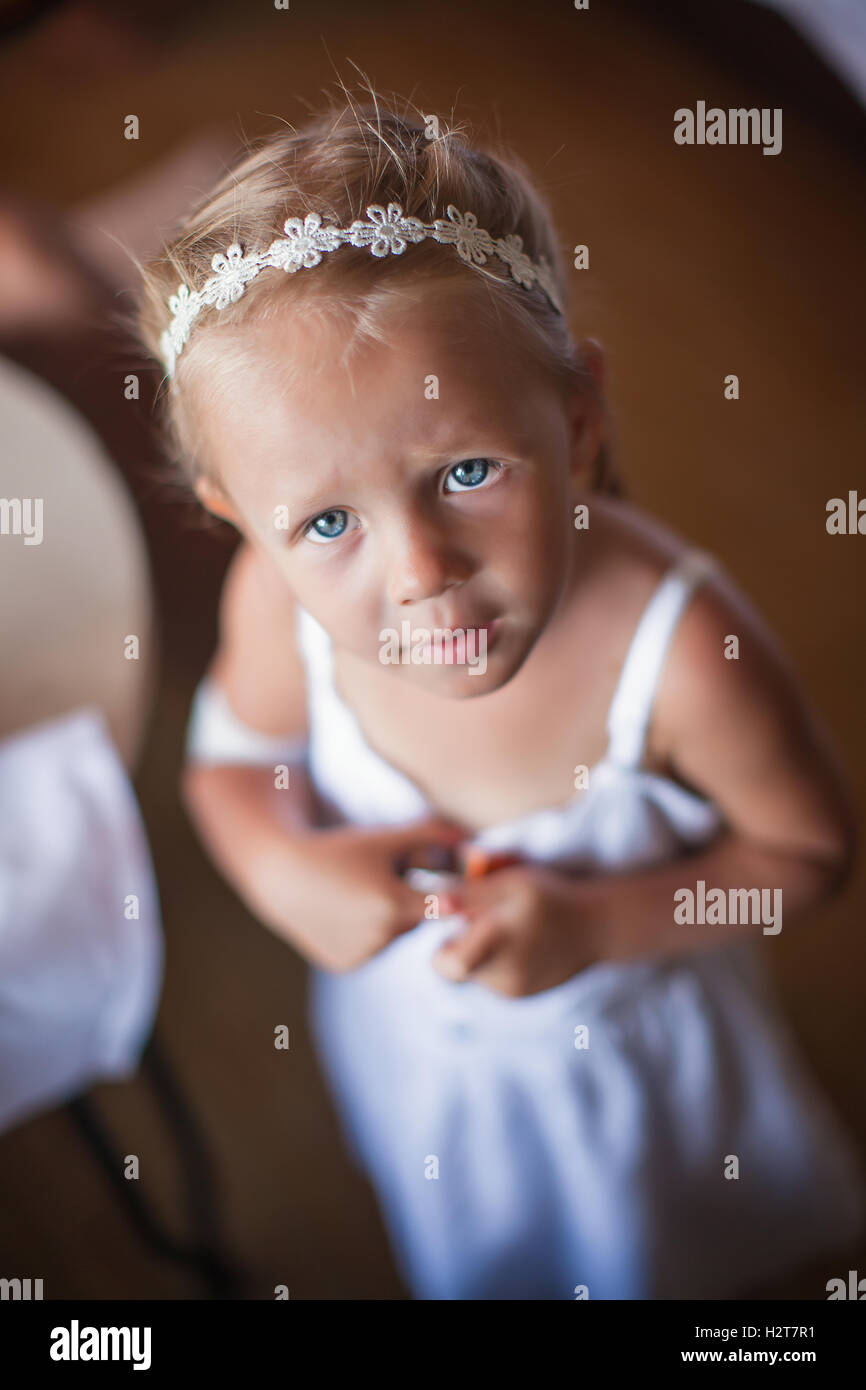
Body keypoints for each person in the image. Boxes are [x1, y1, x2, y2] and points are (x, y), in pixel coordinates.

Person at [132, 85, 866, 1299]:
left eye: (466, 469)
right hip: (424, 1054)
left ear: (575, 424)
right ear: (239, 525)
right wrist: (273, 861)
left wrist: (598, 923)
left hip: (638, 1077)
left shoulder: (677, 652)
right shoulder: (272, 606)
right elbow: (230, 759)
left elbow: (805, 852)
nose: (422, 572)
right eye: (324, 521)